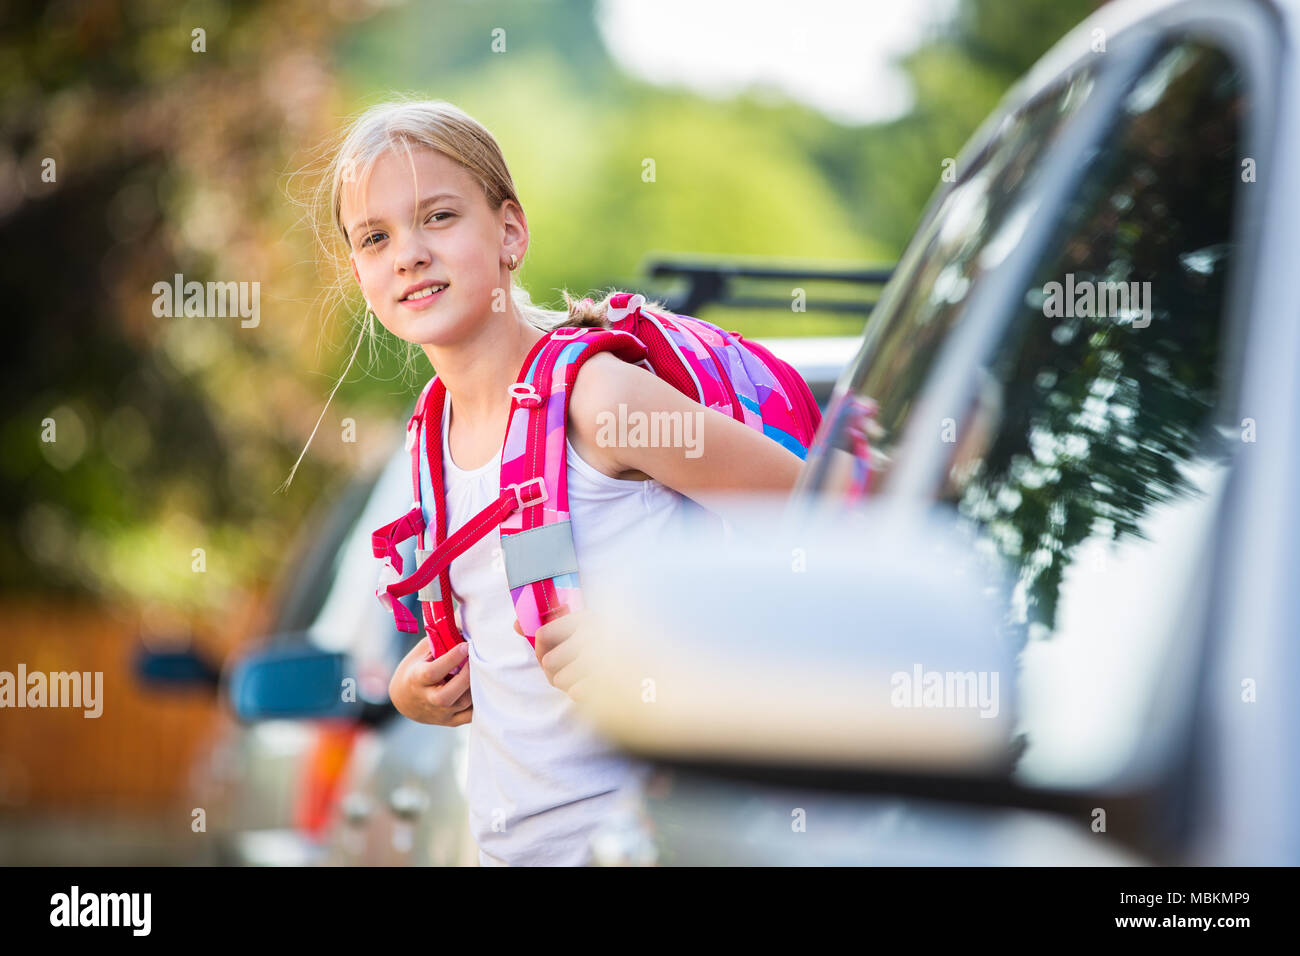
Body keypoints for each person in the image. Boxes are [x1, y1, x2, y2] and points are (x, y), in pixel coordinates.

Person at [310, 98, 804, 865]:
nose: (407, 253)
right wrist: (414, 693)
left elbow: (829, 528)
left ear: (510, 231)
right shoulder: (430, 442)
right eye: (375, 237)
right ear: (360, 270)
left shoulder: (601, 401)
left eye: (438, 217)